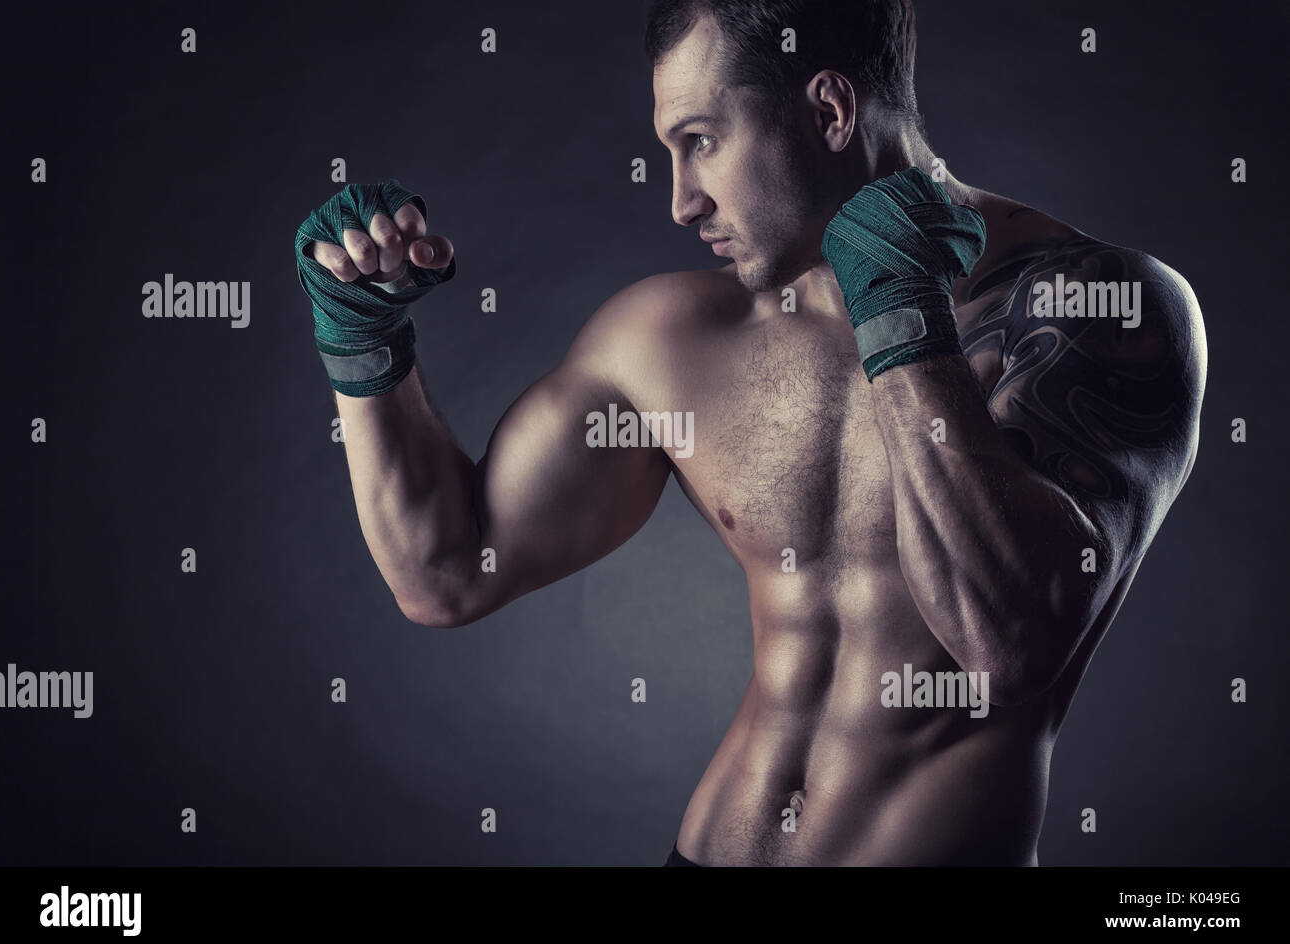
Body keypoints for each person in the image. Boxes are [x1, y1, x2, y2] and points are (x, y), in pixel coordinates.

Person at [293, 0, 1206, 865]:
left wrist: (898, 312)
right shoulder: (674, 337)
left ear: (830, 109)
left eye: (700, 141)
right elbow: (447, 574)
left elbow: (1006, 648)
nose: (681, 201)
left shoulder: (1093, 307)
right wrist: (364, 342)